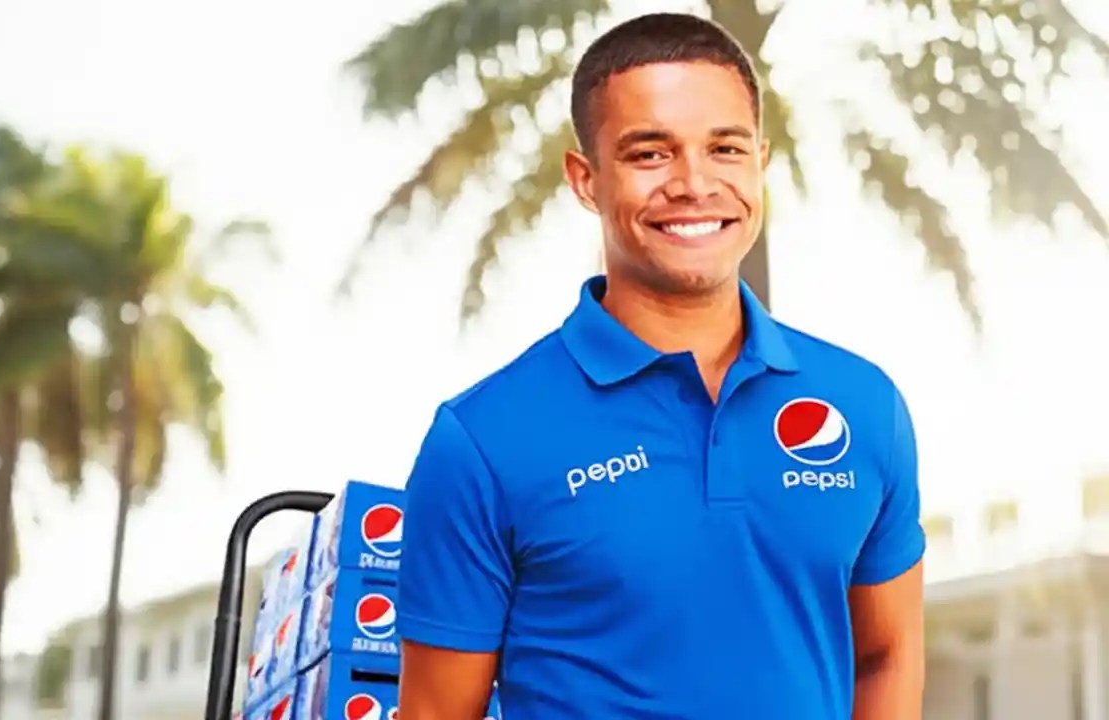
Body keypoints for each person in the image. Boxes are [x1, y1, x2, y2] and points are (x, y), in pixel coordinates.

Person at [395, 11, 925, 720]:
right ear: (587, 180)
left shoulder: (863, 406)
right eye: (651, 154)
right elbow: (436, 714)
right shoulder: (482, 442)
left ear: (760, 162)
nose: (694, 183)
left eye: (726, 149)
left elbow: (886, 655)